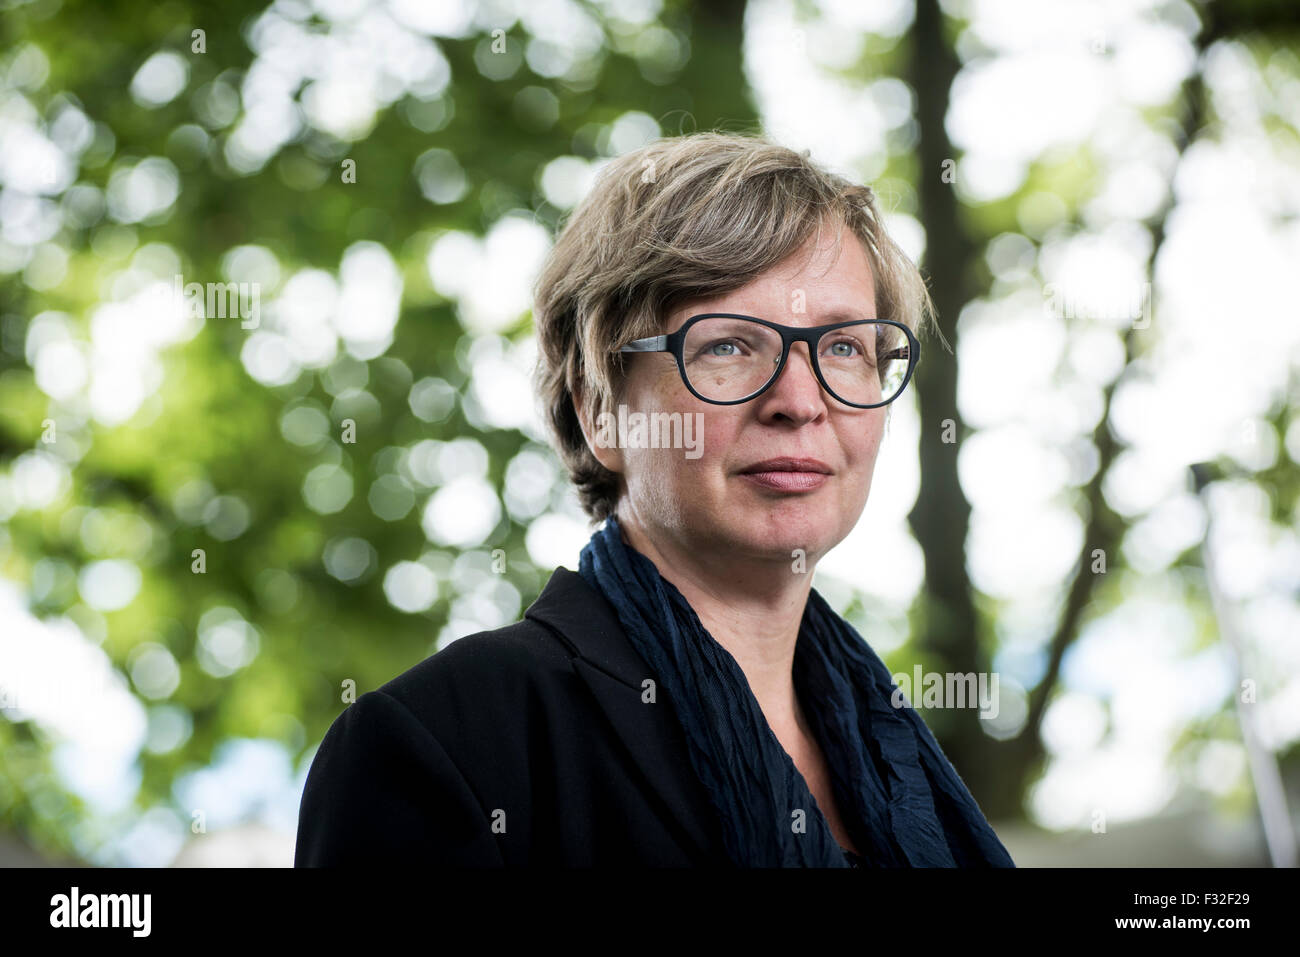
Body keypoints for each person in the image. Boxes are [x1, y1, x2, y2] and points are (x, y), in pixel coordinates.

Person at [294, 130, 1015, 868]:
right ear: (599, 412)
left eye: (842, 347)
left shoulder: (897, 755)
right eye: (728, 345)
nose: (800, 401)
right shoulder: (448, 744)